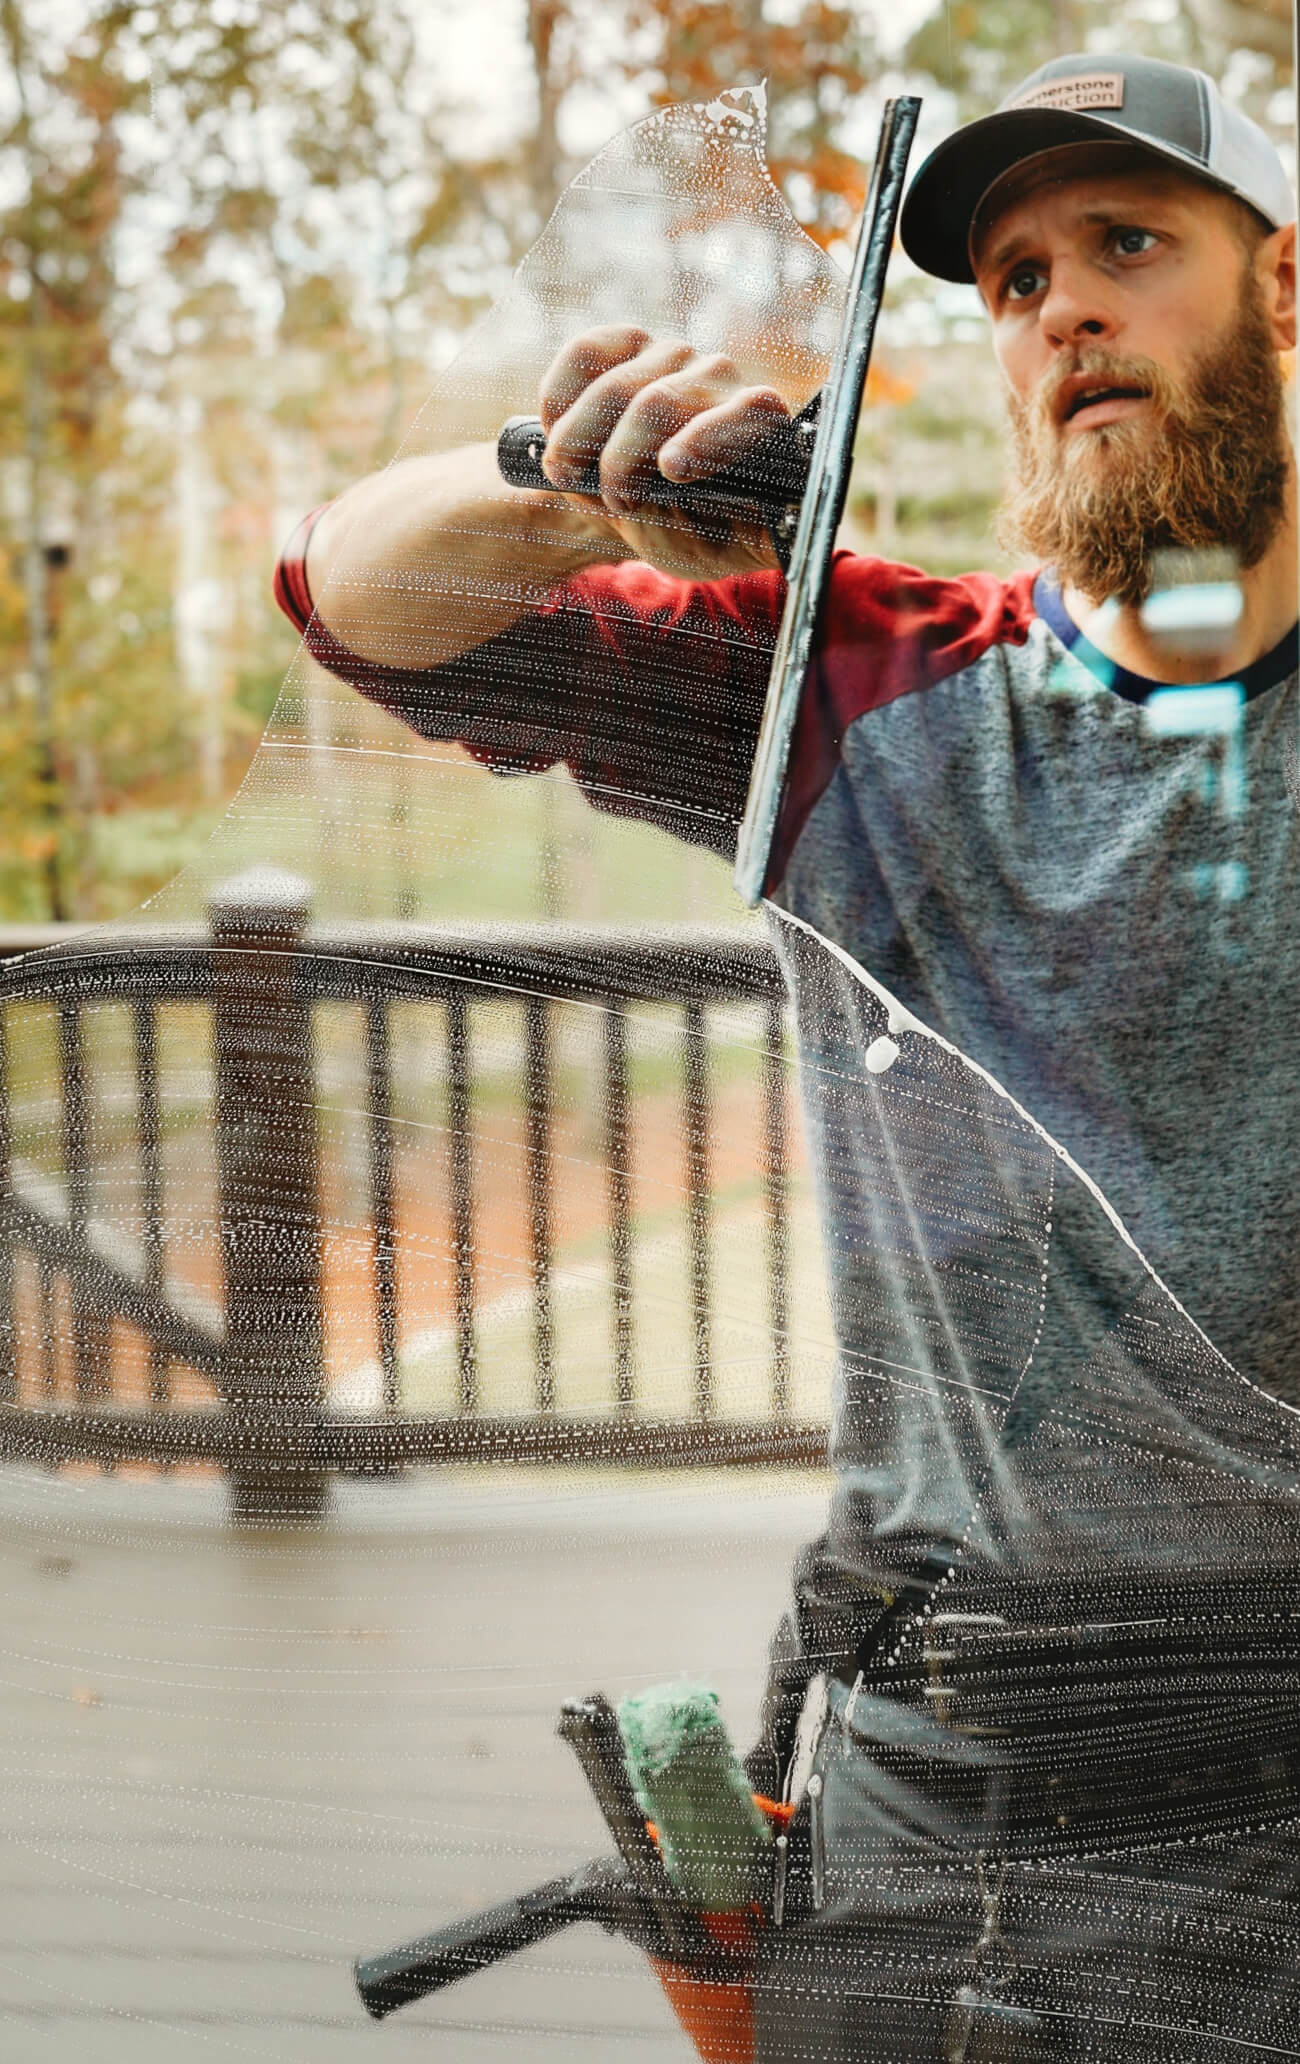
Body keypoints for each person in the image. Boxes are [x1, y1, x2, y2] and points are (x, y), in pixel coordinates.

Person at [276, 52, 1300, 2062]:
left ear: (1282, 294)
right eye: (1009, 281)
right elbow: (362, 606)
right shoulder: (857, 684)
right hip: (922, 1810)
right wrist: (555, 490)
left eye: (1124, 243)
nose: (1060, 307)